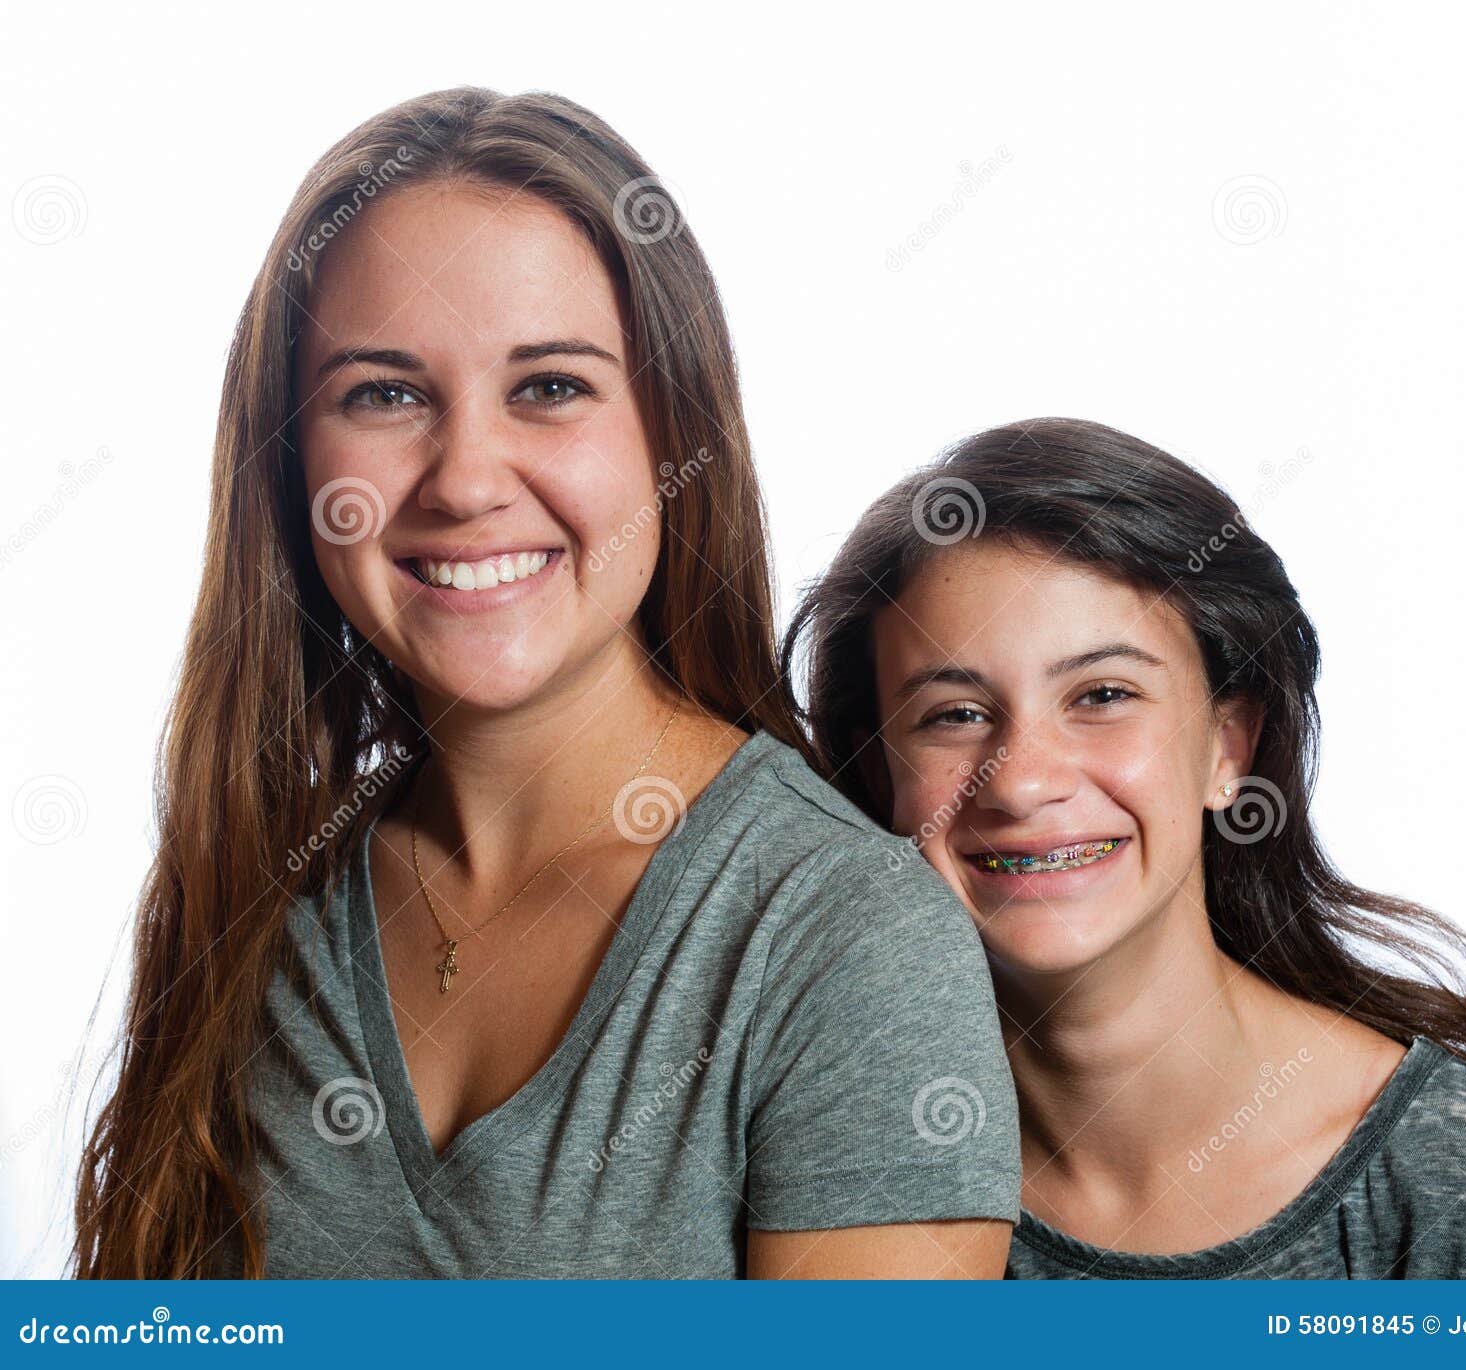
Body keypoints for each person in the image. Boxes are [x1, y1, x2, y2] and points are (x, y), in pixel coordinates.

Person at [73, 88, 1019, 1279]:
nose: (465, 478)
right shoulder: (265, 898)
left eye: (550, 386)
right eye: (385, 392)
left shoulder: (842, 940)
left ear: (671, 435)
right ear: (291, 456)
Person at [784, 417, 1466, 1278]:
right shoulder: (813, 1168)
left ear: (1229, 747)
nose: (1021, 783)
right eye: (955, 715)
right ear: (880, 777)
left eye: (1102, 694)